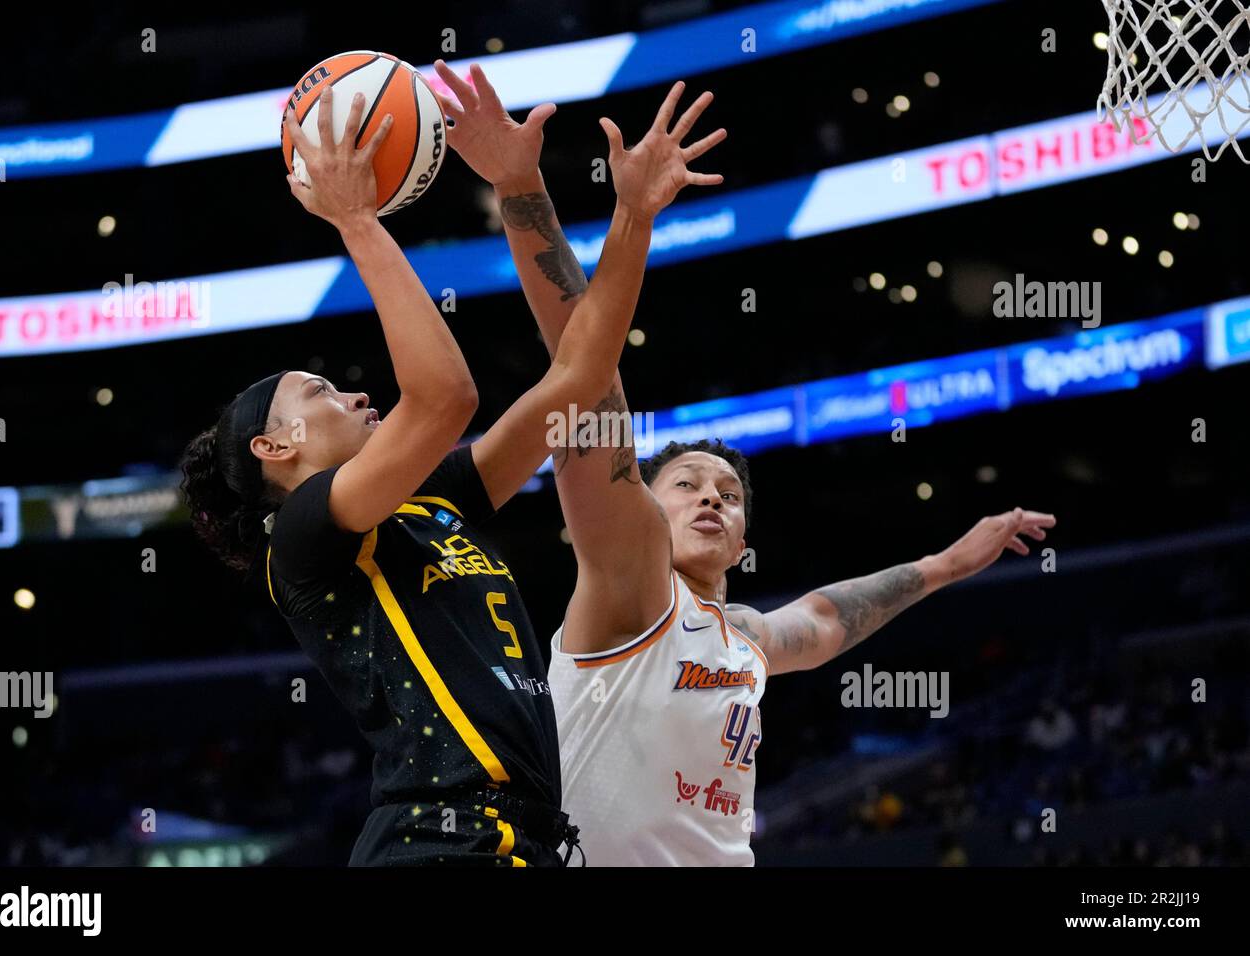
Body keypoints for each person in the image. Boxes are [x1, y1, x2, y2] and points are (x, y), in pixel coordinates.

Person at [430, 62, 1057, 865]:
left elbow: (828, 620)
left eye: (727, 495)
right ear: (643, 509)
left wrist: (941, 565)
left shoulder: (745, 640)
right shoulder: (630, 593)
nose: (710, 500)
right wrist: (533, 192)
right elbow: (586, 378)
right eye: (684, 484)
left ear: (743, 535)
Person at [180, 78, 721, 865]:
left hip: (513, 840)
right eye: (319, 391)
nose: (353, 391)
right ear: (275, 449)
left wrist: (592, 206)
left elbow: (582, 384)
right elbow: (444, 398)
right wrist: (356, 219)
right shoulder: (300, 540)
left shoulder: (429, 507)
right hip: (436, 840)